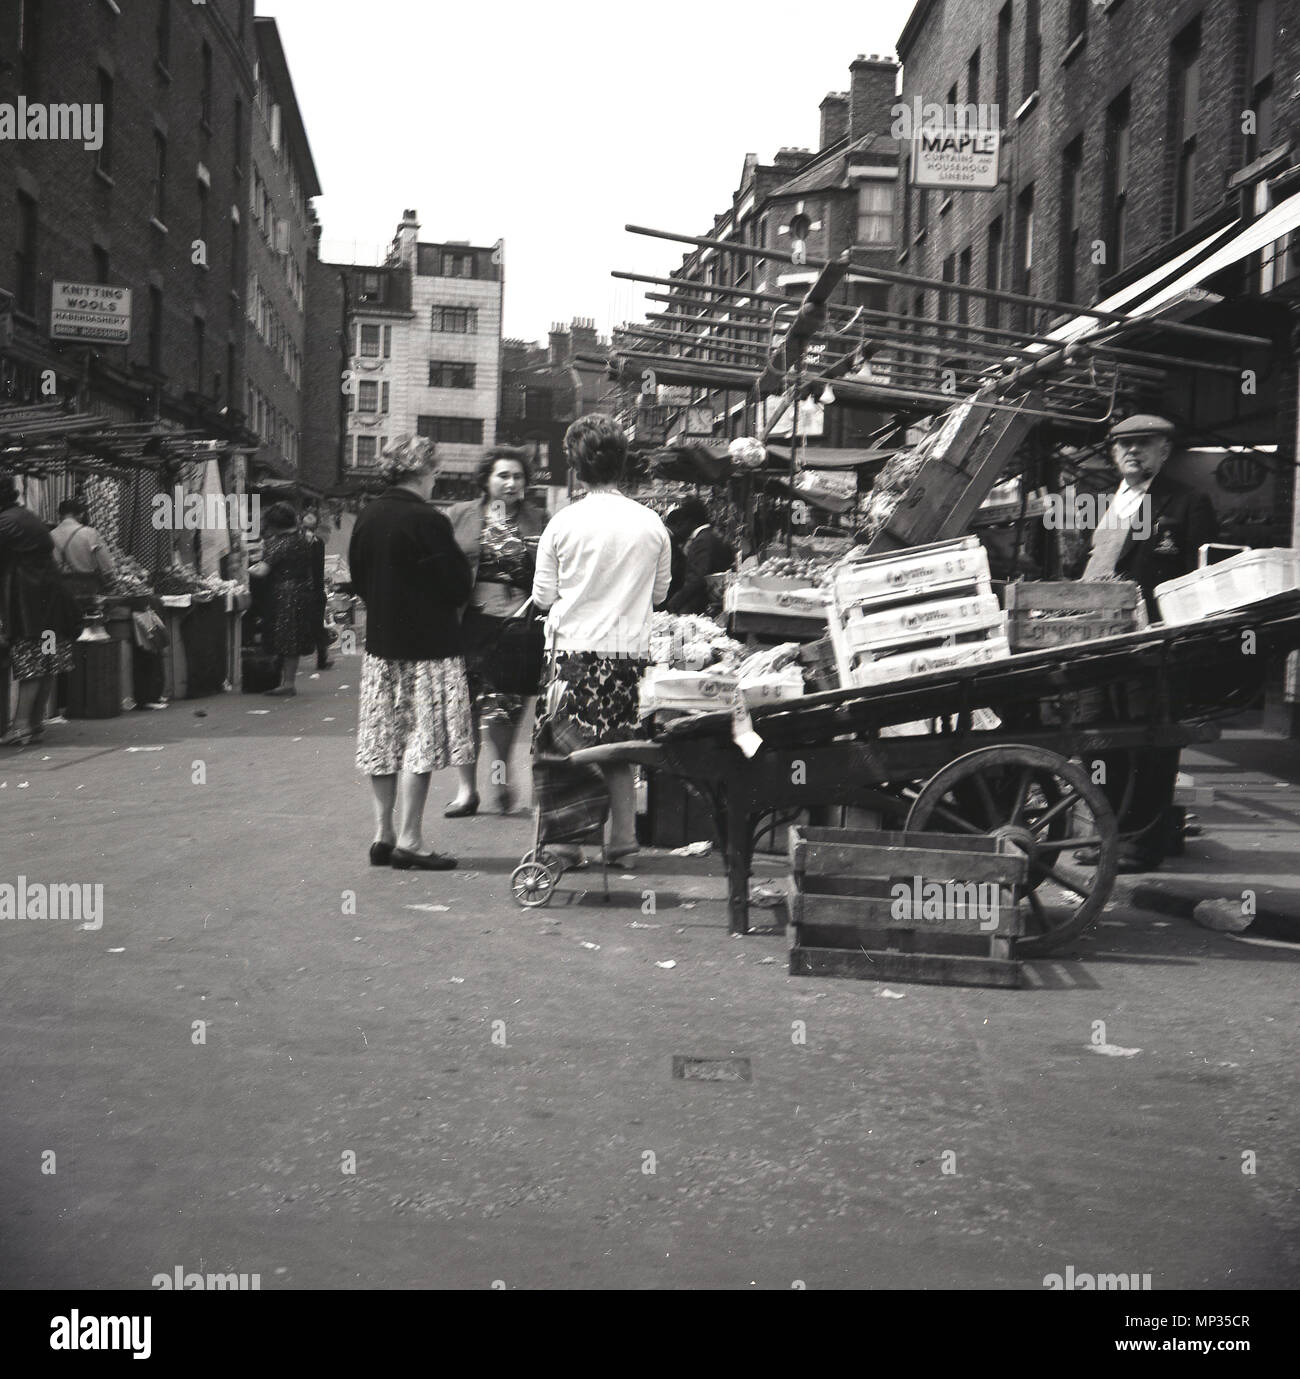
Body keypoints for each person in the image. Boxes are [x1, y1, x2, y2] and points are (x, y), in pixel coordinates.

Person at [530, 415, 673, 868]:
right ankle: (625, 844)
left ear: (575, 466)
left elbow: (542, 596)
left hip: (572, 653)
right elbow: (660, 593)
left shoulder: (562, 523)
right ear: (623, 462)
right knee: (619, 747)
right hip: (626, 656)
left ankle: (565, 845)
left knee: (562, 748)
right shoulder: (652, 524)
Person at [1078, 413, 1218, 873]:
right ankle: (1107, 835)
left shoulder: (1187, 502)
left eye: (1144, 443)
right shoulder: (1098, 505)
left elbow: (1203, 578)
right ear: (1113, 452)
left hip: (1156, 648)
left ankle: (1143, 843)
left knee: (1150, 745)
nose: (1132, 451)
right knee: (1099, 741)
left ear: (1165, 451)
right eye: (1124, 445)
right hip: (1095, 645)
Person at [348, 436, 474, 871]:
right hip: (429, 648)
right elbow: (458, 585)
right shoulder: (428, 521)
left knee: (382, 740)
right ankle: (411, 838)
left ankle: (383, 832)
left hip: (382, 648)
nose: (436, 477)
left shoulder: (368, 516)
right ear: (421, 470)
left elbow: (359, 581)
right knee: (420, 741)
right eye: (435, 470)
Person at [445, 447, 548, 817]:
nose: (511, 483)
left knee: (504, 713)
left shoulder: (538, 518)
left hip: (518, 628)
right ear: (486, 480)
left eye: (518, 476)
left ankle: (501, 777)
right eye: (503, 475)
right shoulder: (460, 516)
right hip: (472, 625)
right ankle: (467, 791)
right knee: (466, 711)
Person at [0, 476, 81, 746]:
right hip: (50, 603)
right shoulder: (24, 516)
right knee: (46, 663)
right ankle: (34, 725)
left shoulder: (6, 522)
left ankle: (21, 725)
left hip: (31, 605)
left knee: (32, 664)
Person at [252, 502, 316, 697]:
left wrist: (249, 569)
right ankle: (288, 681)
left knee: (285, 637)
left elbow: (262, 571)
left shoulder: (278, 544)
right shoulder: (303, 540)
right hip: (302, 590)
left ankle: (286, 683)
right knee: (293, 638)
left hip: (283, 594)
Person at [663, 497, 734, 615]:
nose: (681, 526)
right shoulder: (713, 536)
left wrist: (674, 603)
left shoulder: (702, 540)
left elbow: (697, 578)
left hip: (699, 606)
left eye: (683, 522)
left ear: (690, 521)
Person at [51, 496, 117, 602]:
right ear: (80, 514)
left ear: (59, 515)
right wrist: (111, 580)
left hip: (61, 586)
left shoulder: (50, 535)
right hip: (87, 586)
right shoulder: (90, 533)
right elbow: (106, 565)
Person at [300, 509, 333, 671]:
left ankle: (322, 659)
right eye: (307, 516)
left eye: (312, 517)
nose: (309, 519)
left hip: (313, 589)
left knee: (317, 625)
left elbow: (316, 566)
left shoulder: (318, 543)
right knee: (313, 625)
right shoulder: (299, 541)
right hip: (306, 589)